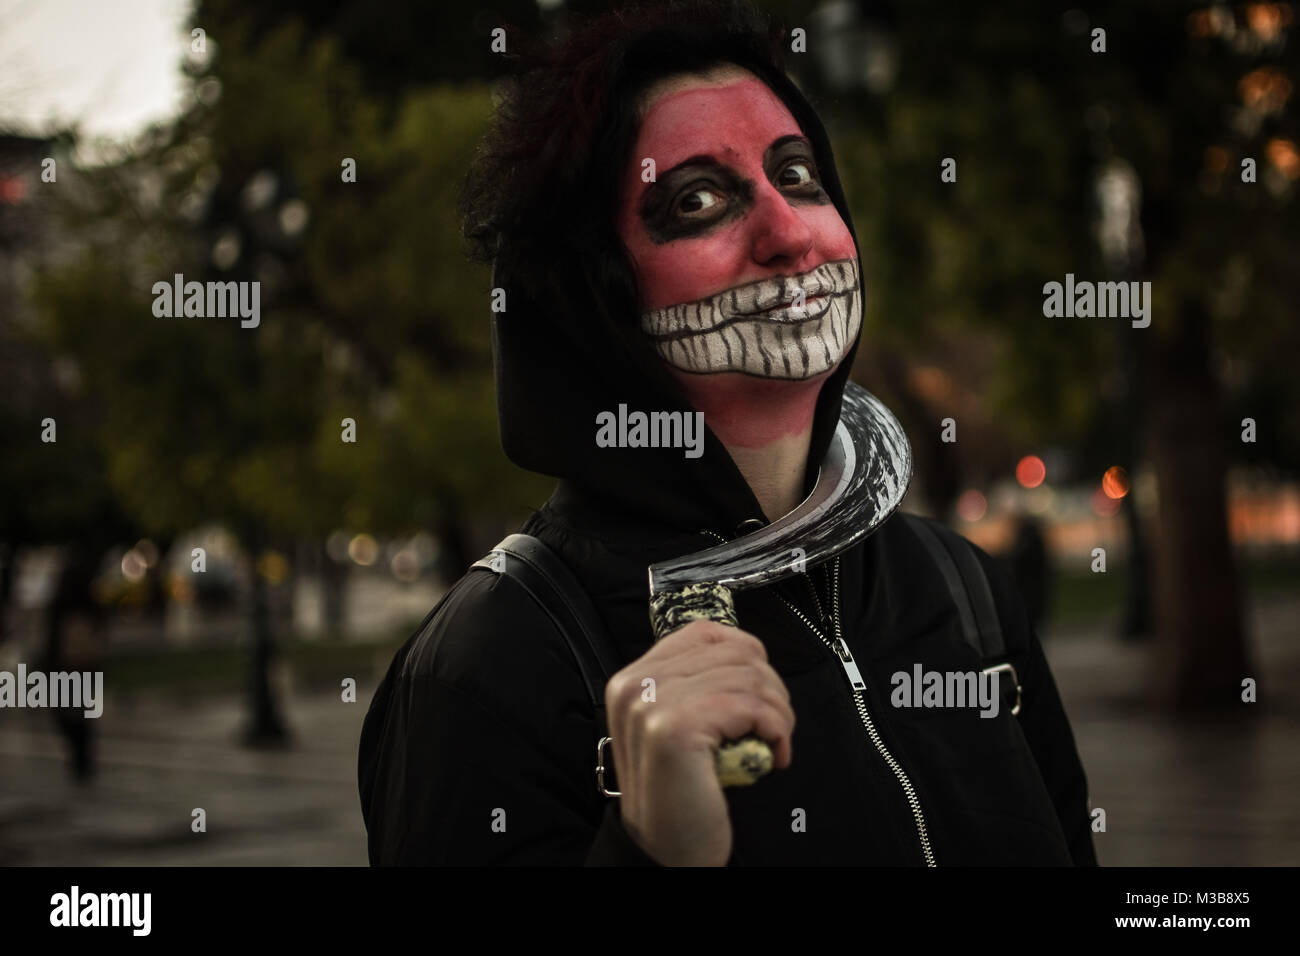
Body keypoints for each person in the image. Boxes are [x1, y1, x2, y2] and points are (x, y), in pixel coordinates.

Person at [358, 0, 1096, 866]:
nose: (789, 235)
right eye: (697, 200)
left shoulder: (961, 587)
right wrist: (649, 854)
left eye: (799, 176)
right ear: (596, 297)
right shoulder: (486, 670)